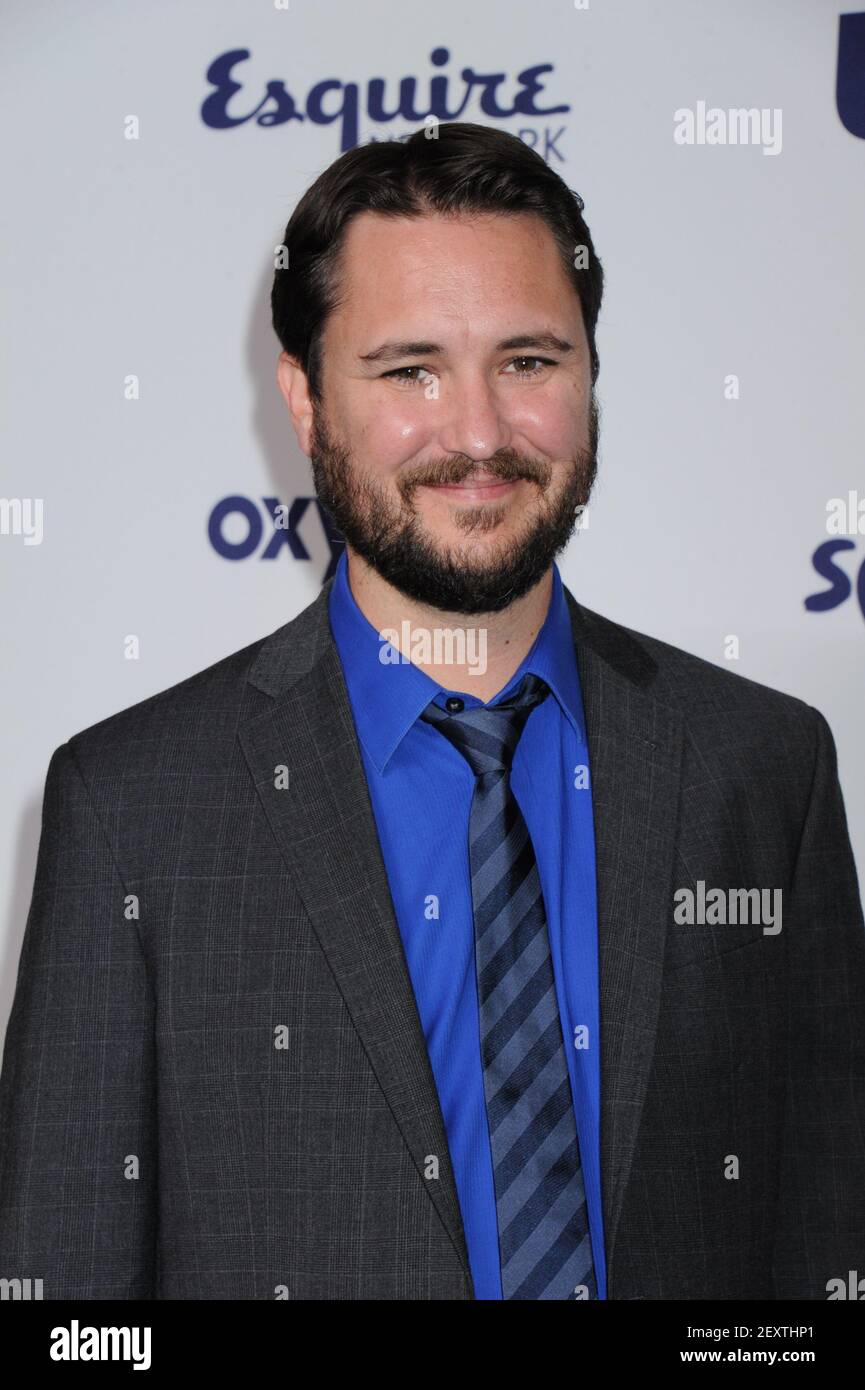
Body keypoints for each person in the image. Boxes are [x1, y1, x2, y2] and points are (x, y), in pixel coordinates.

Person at [1, 122, 863, 1301]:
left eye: (528, 361)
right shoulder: (132, 808)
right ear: (304, 401)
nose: (476, 433)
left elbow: (824, 1248)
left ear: (591, 376)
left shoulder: (764, 768)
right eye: (409, 369)